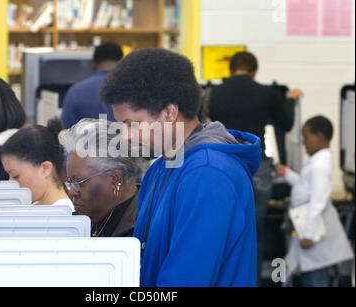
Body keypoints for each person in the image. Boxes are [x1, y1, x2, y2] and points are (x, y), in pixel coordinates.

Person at [100, 48, 261, 286]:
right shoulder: (160, 168)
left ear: (169, 112)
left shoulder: (209, 174)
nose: (125, 136)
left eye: (132, 124)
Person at [209, 51, 303, 285]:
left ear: (230, 70)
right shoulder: (266, 93)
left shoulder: (214, 94)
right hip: (256, 168)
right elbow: (287, 123)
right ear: (254, 72)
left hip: (223, 167)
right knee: (254, 229)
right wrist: (289, 100)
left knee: (223, 228)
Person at [275, 116, 354, 287]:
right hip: (308, 229)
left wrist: (308, 234)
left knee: (315, 278)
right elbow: (304, 186)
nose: (304, 143)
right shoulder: (317, 162)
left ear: (319, 137)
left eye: (306, 138)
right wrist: (287, 173)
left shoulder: (320, 165)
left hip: (314, 235)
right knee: (306, 273)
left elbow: (318, 200)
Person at [59, 119, 141, 238]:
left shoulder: (142, 230)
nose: (72, 192)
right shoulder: (77, 224)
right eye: (70, 183)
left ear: (115, 179)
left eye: (79, 182)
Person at [0, 118, 73, 210]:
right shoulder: (34, 209)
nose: (10, 182)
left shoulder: (65, 216)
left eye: (15, 176)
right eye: (9, 175)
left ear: (45, 168)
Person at [61, 43, 124, 128]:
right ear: (122, 64)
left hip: (84, 141)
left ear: (93, 66)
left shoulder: (76, 92)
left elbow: (64, 132)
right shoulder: (133, 91)